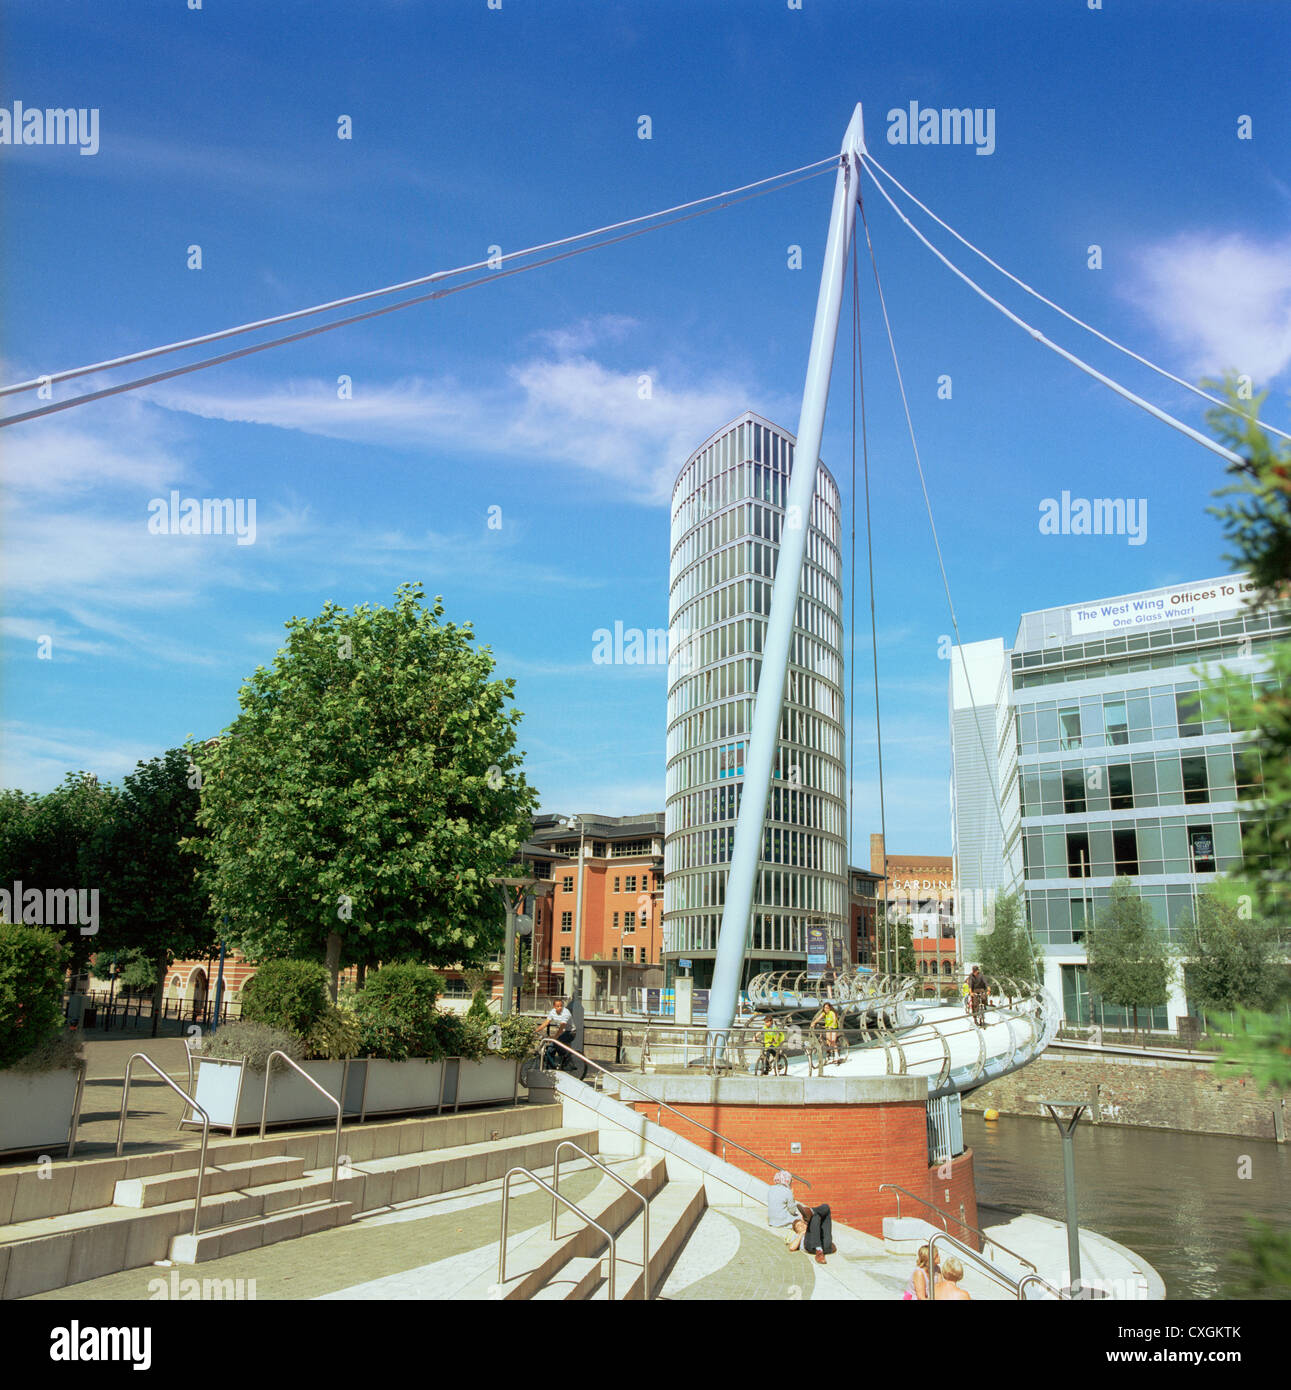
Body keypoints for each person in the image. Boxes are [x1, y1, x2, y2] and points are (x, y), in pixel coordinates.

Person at [766, 1170, 835, 1265]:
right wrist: (801, 1233)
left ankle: (811, 1211)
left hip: (826, 1245)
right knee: (814, 1217)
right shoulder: (798, 1235)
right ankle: (811, 1212)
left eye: (801, 1224)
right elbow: (792, 1210)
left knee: (826, 1207)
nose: (801, 1226)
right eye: (798, 1226)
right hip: (811, 1246)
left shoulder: (771, 1189)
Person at [534, 997, 575, 1067]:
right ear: (554, 1006)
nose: (560, 1008)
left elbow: (562, 1027)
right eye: (558, 1006)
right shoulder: (552, 1012)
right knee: (550, 1049)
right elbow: (546, 1023)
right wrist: (535, 1031)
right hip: (561, 1033)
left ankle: (565, 1057)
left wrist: (554, 1037)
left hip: (570, 1032)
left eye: (561, 1006)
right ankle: (551, 1066)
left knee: (556, 1043)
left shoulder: (566, 1013)